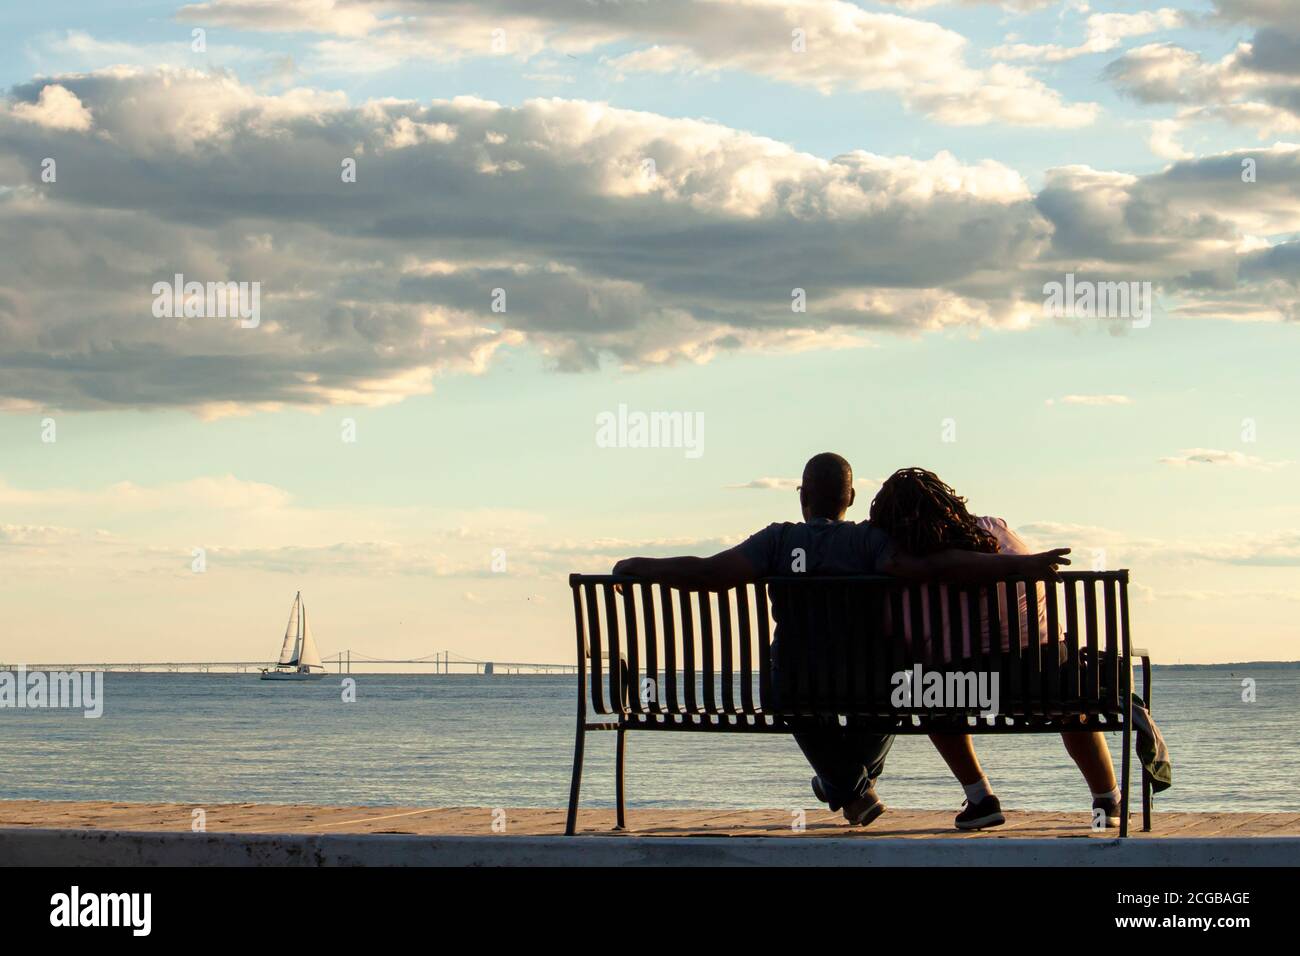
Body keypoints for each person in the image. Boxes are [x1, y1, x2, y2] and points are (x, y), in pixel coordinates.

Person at [611, 453, 1072, 827]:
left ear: (802, 496)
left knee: (787, 691)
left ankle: (846, 787)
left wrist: (640, 565)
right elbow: (932, 566)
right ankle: (849, 784)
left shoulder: (777, 541)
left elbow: (709, 574)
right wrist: (1017, 565)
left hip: (795, 685)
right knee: (899, 683)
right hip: (870, 687)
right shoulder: (871, 542)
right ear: (851, 497)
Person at [868, 467, 1122, 829]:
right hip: (1043, 679)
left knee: (925, 692)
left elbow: (905, 639)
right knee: (1074, 697)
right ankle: (1107, 801)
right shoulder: (997, 528)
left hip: (962, 688)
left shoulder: (909, 566)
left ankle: (980, 798)